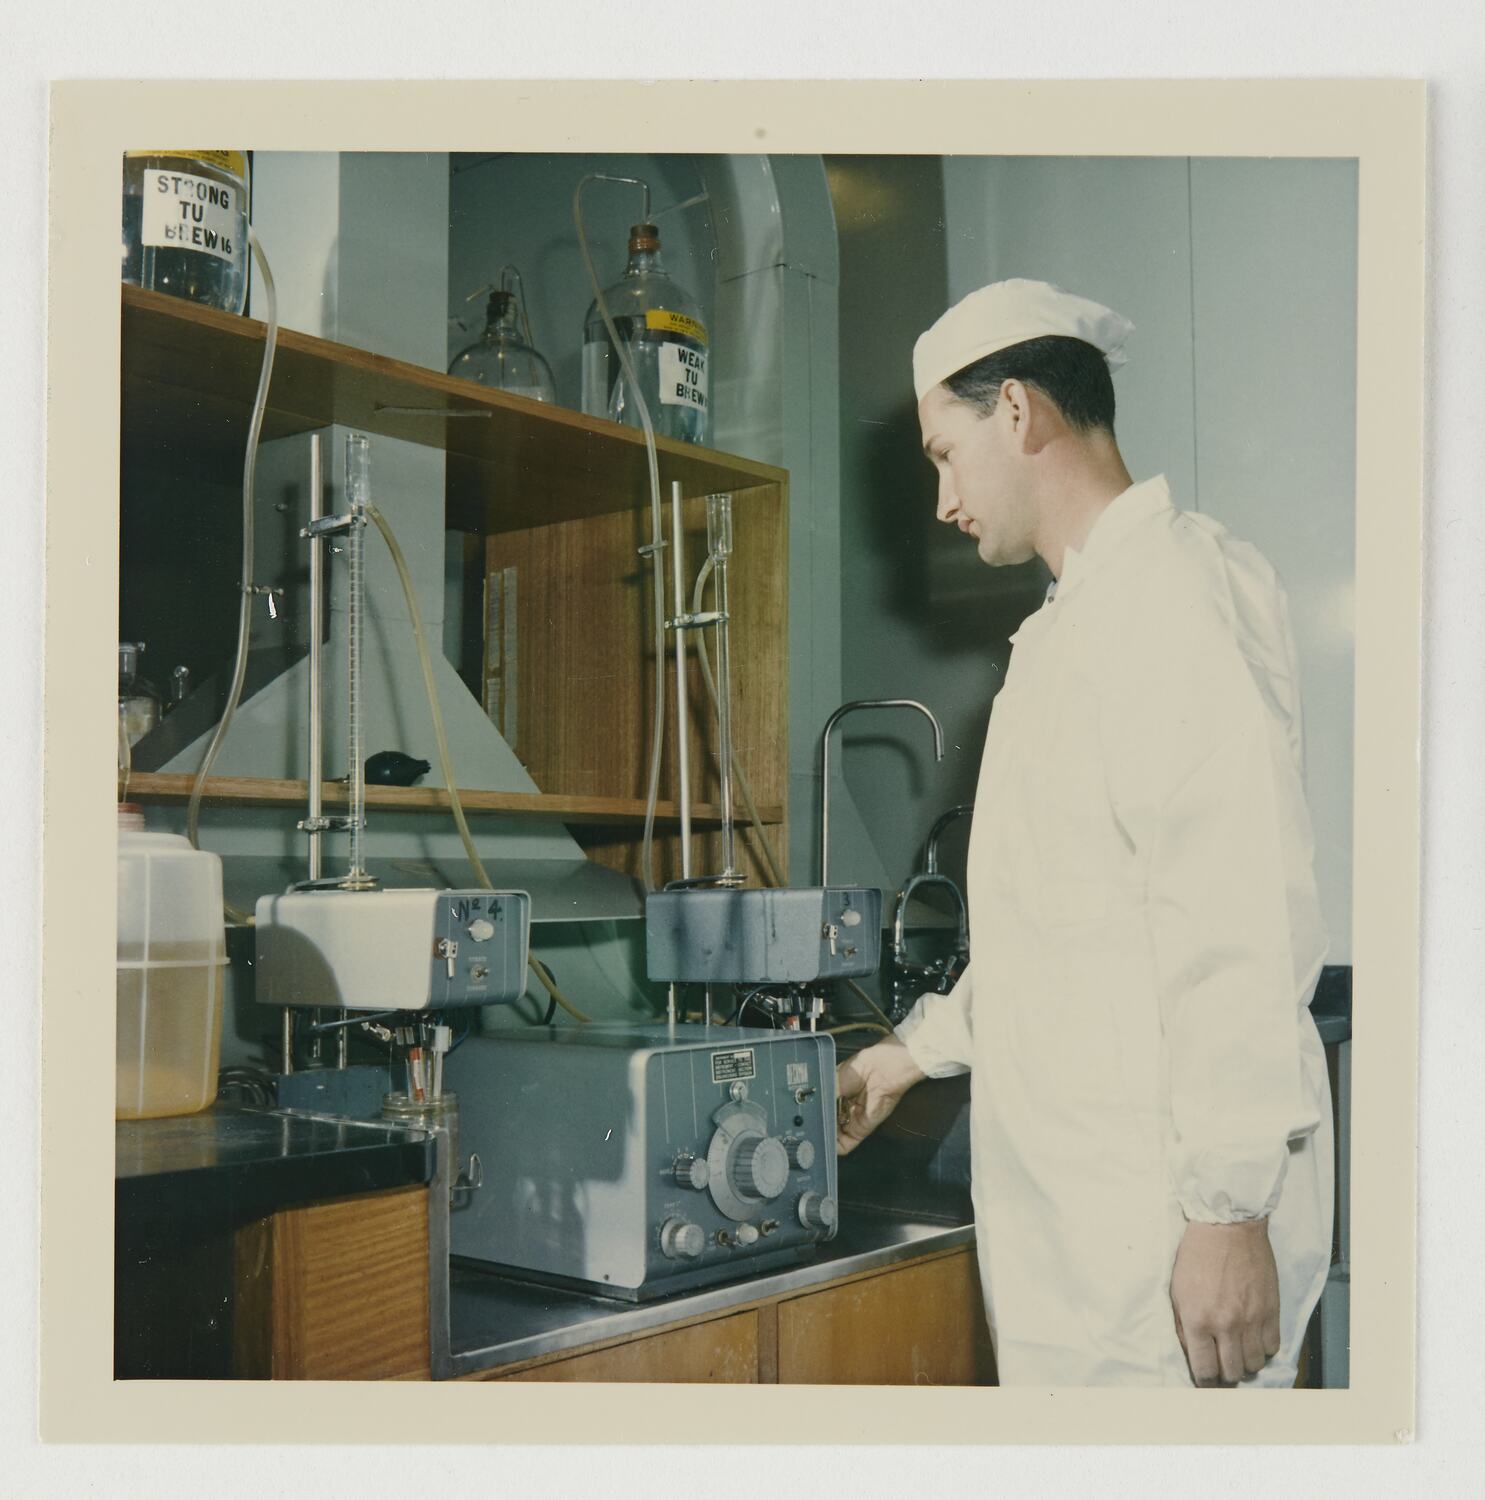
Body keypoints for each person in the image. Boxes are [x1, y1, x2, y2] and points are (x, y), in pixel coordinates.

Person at [836, 279, 1334, 1388]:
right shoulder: (1073, 627)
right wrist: (910, 1053)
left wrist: (1229, 1213)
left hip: (1162, 1255)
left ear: (1017, 413)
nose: (941, 501)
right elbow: (1057, 932)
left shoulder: (1171, 594)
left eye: (944, 454)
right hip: (1095, 1249)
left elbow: (1237, 917)